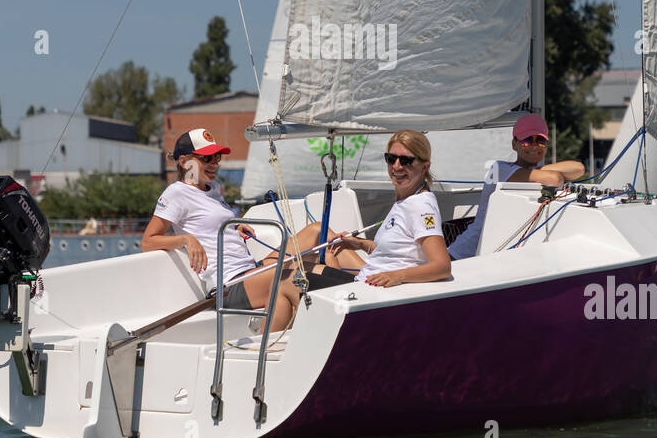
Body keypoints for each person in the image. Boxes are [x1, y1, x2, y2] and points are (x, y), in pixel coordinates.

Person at [141, 128, 324, 331]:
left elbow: (211, 221)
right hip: (229, 284)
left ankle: (362, 280)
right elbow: (148, 241)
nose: (215, 164)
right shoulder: (176, 193)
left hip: (248, 270)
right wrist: (186, 240)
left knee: (319, 241)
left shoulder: (214, 188)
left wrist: (235, 226)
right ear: (185, 162)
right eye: (207, 158)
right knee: (295, 275)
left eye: (217, 157)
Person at [306, 129, 452, 291]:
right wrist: (360, 243)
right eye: (391, 159)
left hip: (368, 289)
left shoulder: (420, 205)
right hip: (365, 279)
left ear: (425, 167)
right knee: (308, 255)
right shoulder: (406, 200)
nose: (396, 166)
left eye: (406, 161)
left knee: (287, 279)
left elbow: (442, 266)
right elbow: (397, 252)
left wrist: (397, 276)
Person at [446, 113, 586, 260]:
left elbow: (579, 169)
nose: (533, 146)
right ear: (514, 144)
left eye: (540, 141)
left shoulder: (536, 174)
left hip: (492, 253)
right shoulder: (499, 169)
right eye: (527, 140)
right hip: (463, 255)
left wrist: (540, 169)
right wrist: (548, 171)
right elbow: (554, 178)